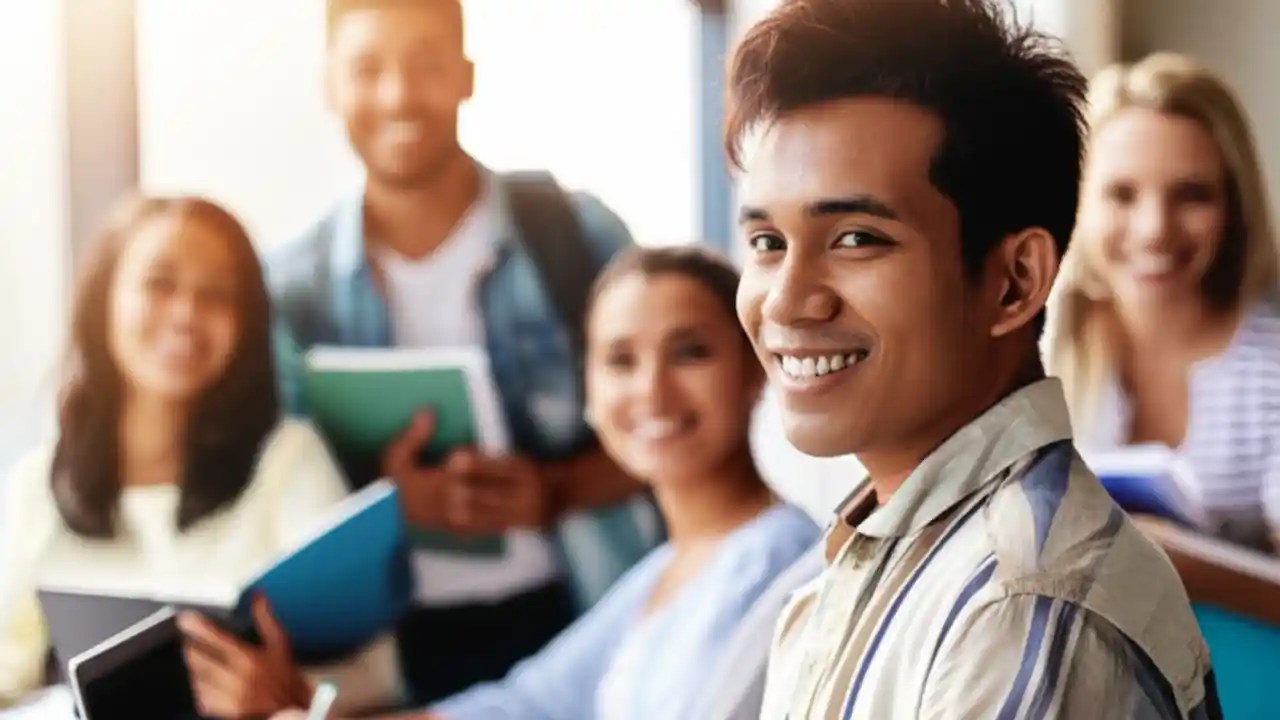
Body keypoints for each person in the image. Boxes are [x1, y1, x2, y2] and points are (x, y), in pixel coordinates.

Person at [726, 1, 1220, 718]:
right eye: (768, 243)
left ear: (1014, 281)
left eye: (857, 238)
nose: (786, 301)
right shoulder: (872, 555)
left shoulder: (1018, 607)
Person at [267, 0, 659, 704]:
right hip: (392, 657)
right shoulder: (292, 292)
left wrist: (555, 490)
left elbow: (689, 427)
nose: (397, 94)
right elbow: (274, 501)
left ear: (467, 77)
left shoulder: (574, 236)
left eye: (425, 64)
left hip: (587, 621)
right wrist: (385, 510)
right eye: (367, 69)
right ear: (330, 87)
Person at [270, 247, 821, 720]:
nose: (652, 391)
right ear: (589, 391)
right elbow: (526, 704)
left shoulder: (781, 560)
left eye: (689, 353)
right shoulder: (662, 573)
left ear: (756, 369)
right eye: (620, 360)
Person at [0, 196, 396, 717]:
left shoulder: (286, 461)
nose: (186, 314)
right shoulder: (36, 485)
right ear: (104, 299)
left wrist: (291, 691)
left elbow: (378, 674)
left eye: (217, 295)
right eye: (160, 284)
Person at [1045, 53, 1280, 553]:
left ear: (1234, 206)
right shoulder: (1042, 335)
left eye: (1192, 195)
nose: (1155, 230)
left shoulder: (1272, 358)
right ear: (1078, 201)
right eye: (1122, 195)